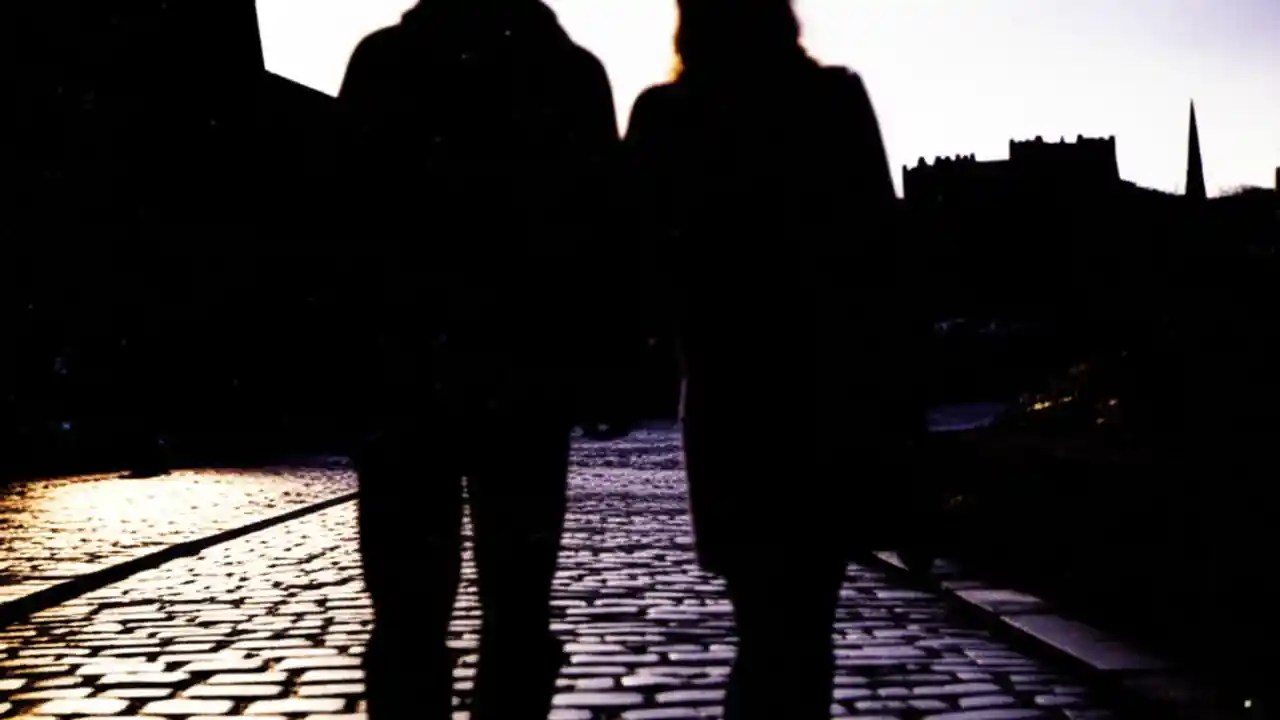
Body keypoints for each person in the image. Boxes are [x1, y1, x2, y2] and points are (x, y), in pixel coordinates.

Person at [625, 1, 921, 718]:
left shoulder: (667, 114)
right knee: (805, 624)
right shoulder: (833, 99)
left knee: (761, 618)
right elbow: (883, 262)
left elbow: (629, 257)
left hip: (727, 392)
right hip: (826, 392)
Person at [337, 2, 630, 718]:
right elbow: (608, 241)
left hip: (404, 377)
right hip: (526, 378)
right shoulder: (568, 71)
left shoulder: (383, 63)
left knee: (407, 616)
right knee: (519, 609)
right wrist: (609, 366)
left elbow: (336, 231)